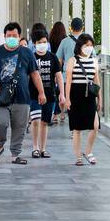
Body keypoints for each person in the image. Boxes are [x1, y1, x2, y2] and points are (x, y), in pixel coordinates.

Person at [0, 22, 45, 164]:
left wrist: (41, 92)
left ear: (19, 36)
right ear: (4, 36)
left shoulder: (26, 52)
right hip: (1, 96)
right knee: (0, 124)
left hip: (22, 97)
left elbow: (34, 74)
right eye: (8, 36)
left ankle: (15, 155)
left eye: (14, 36)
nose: (11, 38)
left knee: (19, 127)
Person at [64, 32, 102, 165]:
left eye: (91, 45)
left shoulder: (94, 61)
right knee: (77, 128)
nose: (89, 48)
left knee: (95, 126)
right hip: (76, 95)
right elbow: (68, 81)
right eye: (86, 45)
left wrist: (100, 99)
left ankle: (88, 151)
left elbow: (97, 81)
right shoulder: (72, 60)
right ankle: (78, 156)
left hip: (90, 97)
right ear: (80, 46)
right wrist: (67, 98)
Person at [29, 27, 61, 158]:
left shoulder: (53, 57)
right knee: (35, 120)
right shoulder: (31, 57)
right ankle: (35, 147)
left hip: (50, 94)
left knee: (44, 122)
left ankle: (43, 148)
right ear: (35, 43)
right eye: (39, 42)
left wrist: (62, 95)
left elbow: (59, 76)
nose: (43, 44)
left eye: (44, 41)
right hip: (33, 94)